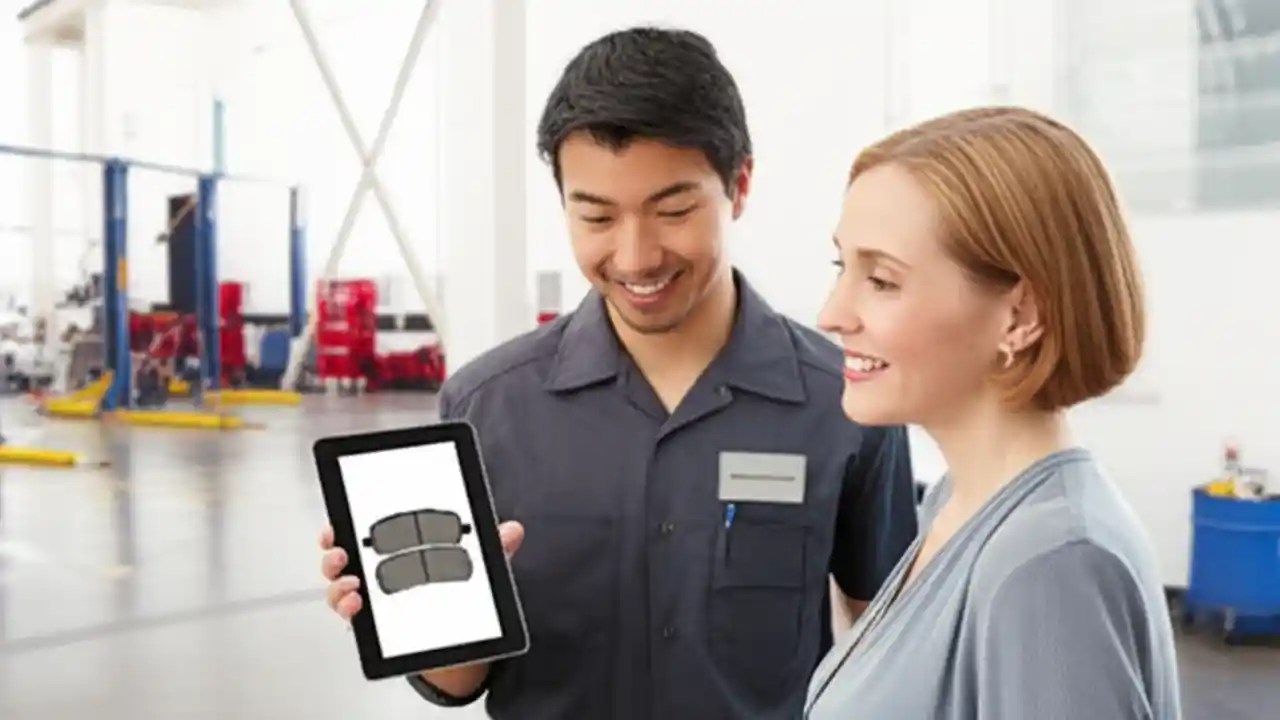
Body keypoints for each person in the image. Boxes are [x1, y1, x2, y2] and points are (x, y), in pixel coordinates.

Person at [319, 26, 919, 719]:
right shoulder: (487, 407)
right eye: (597, 216)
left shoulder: (846, 399)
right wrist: (407, 613)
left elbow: (889, 643)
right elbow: (458, 684)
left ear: (740, 185)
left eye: (673, 211)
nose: (635, 257)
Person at [803, 106, 1181, 718]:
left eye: (882, 281)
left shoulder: (1050, 564)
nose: (832, 314)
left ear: (1020, 317)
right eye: (842, 267)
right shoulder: (956, 503)